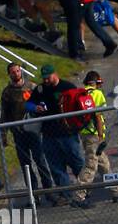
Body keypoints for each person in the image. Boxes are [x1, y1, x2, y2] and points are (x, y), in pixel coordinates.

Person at [24, 64, 85, 203]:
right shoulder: (40, 90)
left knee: (76, 161)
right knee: (56, 166)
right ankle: (66, 195)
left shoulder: (67, 86)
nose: (46, 80)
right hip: (49, 134)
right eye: (44, 78)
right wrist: (35, 107)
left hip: (68, 132)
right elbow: (27, 104)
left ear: (55, 74)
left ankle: (84, 190)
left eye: (48, 77)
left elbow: (79, 104)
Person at [0, 62, 55, 195]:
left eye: (18, 71)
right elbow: (5, 115)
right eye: (13, 72)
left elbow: (43, 105)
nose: (16, 74)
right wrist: (4, 135)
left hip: (34, 131)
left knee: (41, 161)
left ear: (21, 72)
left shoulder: (32, 87)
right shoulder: (7, 92)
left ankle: (49, 192)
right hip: (18, 133)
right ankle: (33, 194)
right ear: (9, 74)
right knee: (26, 165)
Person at [78, 69, 118, 203]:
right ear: (95, 83)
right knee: (91, 165)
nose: (100, 86)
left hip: (85, 133)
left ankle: (117, 192)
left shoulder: (81, 93)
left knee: (104, 164)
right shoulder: (97, 94)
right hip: (94, 135)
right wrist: (101, 135)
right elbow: (98, 115)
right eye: (99, 83)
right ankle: (78, 196)